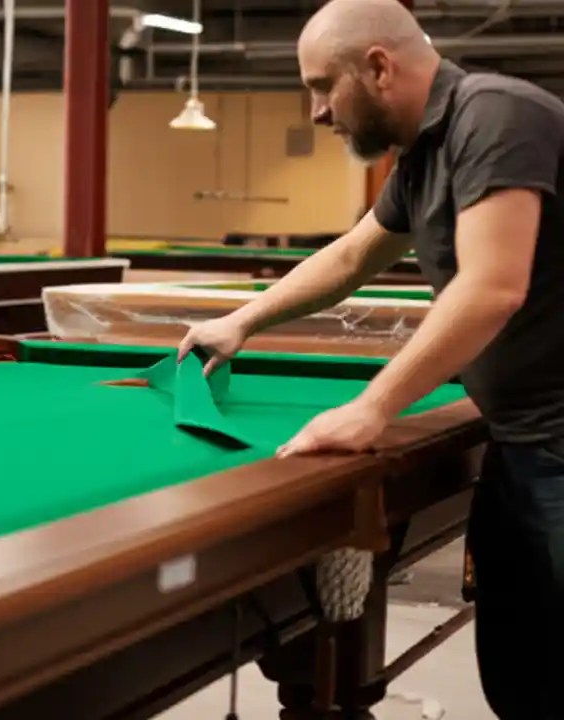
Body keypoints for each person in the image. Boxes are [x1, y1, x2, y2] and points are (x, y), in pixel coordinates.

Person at [176, 0, 564, 716]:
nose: (318, 111)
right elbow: (354, 254)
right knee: (522, 678)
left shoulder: (496, 114)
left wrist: (371, 407)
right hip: (523, 443)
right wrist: (242, 322)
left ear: (379, 67)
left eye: (323, 85)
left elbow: (492, 288)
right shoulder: (425, 157)